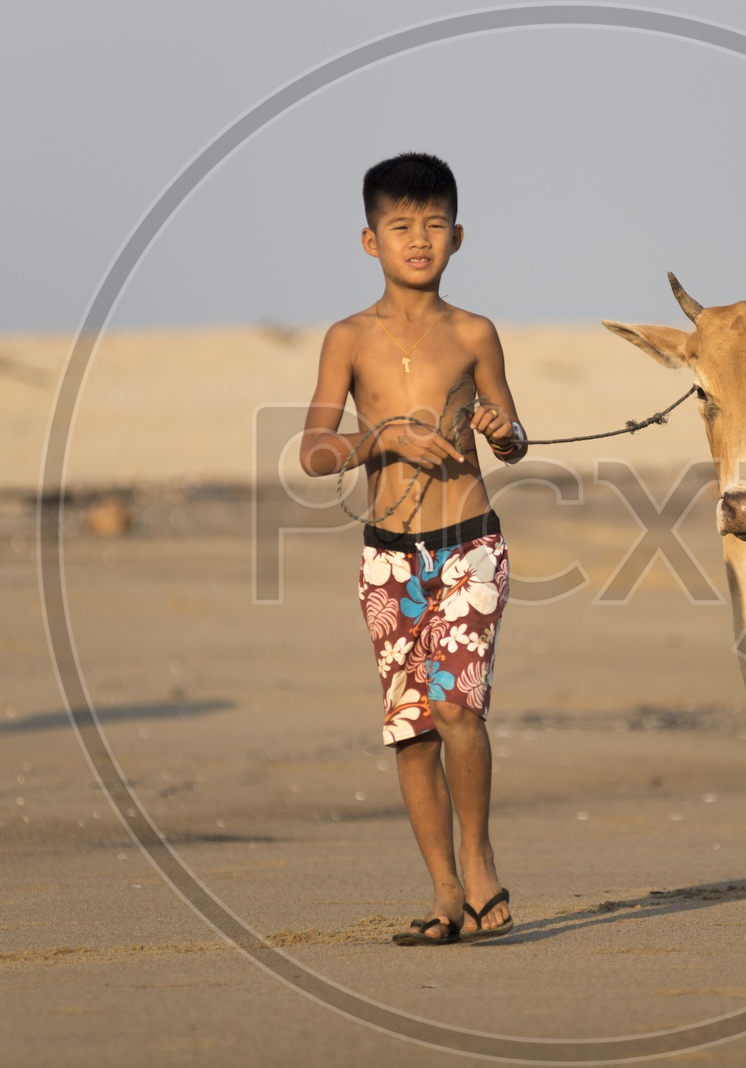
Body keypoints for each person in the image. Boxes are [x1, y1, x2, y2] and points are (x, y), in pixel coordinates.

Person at [300, 152, 526, 946]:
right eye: (402, 226)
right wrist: (384, 436)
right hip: (387, 557)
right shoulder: (348, 338)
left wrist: (504, 430)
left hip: (470, 546)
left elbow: (515, 437)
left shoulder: (475, 333)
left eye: (434, 225)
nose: (419, 240)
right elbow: (313, 451)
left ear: (457, 236)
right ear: (371, 241)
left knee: (456, 707)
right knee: (412, 727)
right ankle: (441, 890)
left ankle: (479, 858)